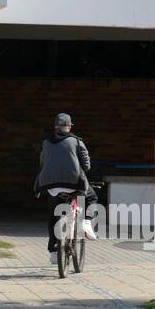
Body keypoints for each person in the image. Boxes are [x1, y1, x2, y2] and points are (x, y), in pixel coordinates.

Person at [33, 113, 98, 264]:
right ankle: (86, 222)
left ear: (55, 127)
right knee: (91, 197)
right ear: (69, 126)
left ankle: (53, 252)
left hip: (50, 186)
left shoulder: (46, 142)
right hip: (73, 184)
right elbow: (86, 164)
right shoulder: (76, 141)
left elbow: (42, 162)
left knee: (52, 216)